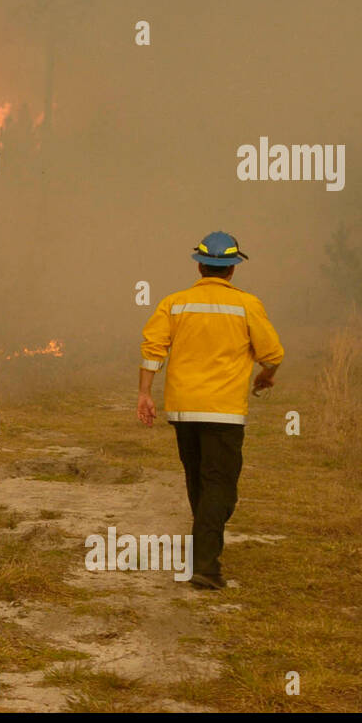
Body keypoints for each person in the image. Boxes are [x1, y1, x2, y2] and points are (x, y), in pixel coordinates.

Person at [136, 231, 285, 589]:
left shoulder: (174, 303)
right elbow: (273, 354)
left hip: (183, 411)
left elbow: (153, 348)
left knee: (198, 481)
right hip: (225, 413)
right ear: (232, 270)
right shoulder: (248, 305)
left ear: (200, 265)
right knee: (221, 488)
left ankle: (203, 547)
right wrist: (266, 376)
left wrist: (144, 393)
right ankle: (205, 565)